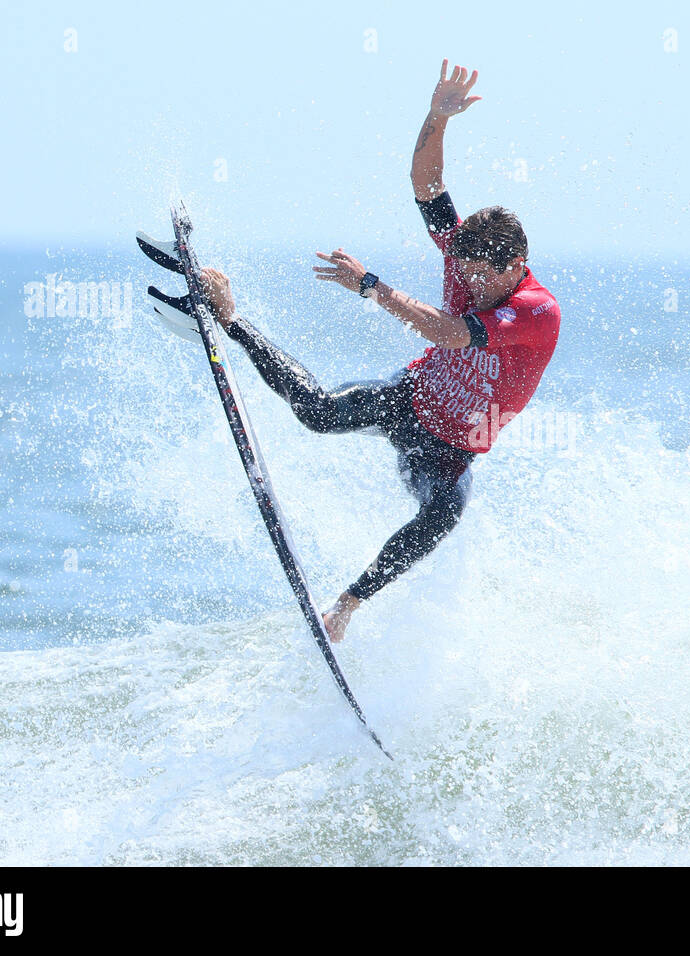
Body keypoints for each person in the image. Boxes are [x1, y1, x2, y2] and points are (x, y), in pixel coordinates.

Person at [200, 60, 561, 643]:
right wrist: (437, 118)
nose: (471, 285)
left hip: (449, 449)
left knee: (441, 517)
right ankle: (231, 319)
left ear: (515, 267)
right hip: (411, 395)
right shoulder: (465, 252)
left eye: (483, 280)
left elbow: (447, 331)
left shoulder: (536, 310)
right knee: (318, 412)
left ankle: (346, 604)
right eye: (463, 272)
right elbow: (428, 187)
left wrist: (372, 287)